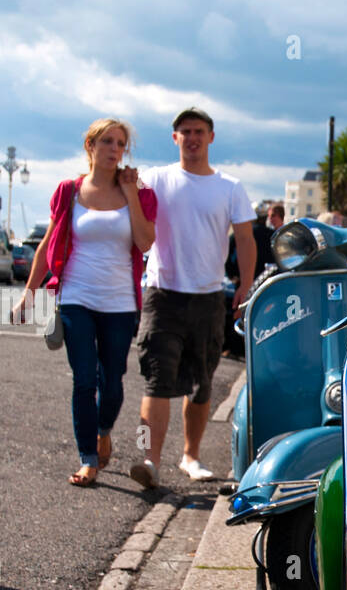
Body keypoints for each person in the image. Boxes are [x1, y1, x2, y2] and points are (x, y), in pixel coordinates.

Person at [12, 118, 156, 486]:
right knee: (83, 380)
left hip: (121, 301)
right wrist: (28, 295)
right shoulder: (69, 191)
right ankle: (87, 459)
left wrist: (130, 195)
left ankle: (103, 429)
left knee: (113, 380)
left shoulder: (139, 192)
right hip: (76, 295)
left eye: (120, 143)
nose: (114, 149)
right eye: (106, 141)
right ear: (90, 146)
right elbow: (47, 245)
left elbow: (145, 243)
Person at [130, 107, 256, 488]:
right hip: (162, 295)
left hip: (207, 296)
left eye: (199, 131)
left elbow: (246, 240)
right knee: (156, 379)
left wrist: (245, 284)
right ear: (175, 138)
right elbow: (125, 202)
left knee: (201, 383)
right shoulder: (155, 178)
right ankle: (148, 459)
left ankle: (191, 456)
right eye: (184, 131)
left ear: (211, 137)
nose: (192, 137)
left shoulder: (229, 186)